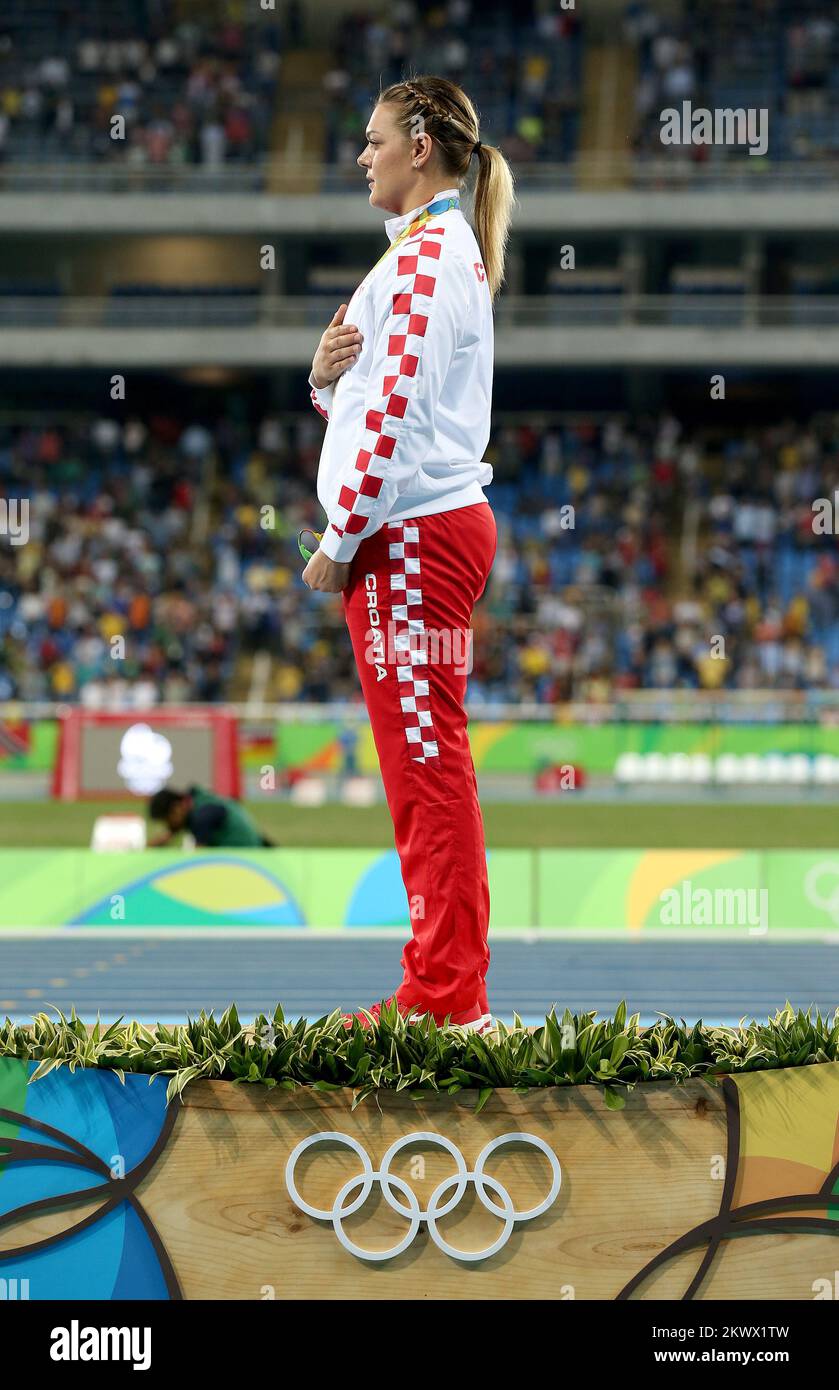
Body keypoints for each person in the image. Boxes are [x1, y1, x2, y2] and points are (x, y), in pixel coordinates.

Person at [303, 74, 515, 1033]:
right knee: (424, 763)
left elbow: (393, 422)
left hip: (408, 539)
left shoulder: (427, 259)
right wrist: (320, 385)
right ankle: (441, 987)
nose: (361, 155)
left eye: (373, 138)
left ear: (419, 145)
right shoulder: (430, 255)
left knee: (426, 764)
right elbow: (379, 407)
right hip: (422, 528)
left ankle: (443, 997)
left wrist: (339, 539)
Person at [148, 785, 275, 848]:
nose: (168, 825)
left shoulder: (202, 817)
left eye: (167, 819)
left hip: (248, 861)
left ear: (176, 808)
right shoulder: (196, 801)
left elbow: (197, 860)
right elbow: (167, 837)